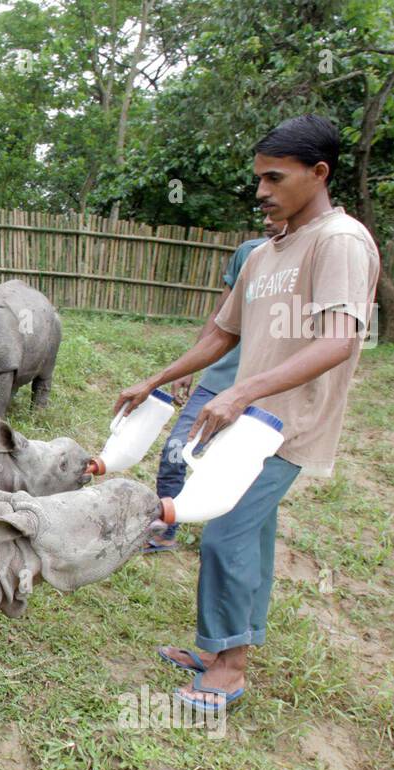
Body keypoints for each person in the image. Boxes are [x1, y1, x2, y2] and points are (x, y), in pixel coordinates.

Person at [114, 114, 379, 713]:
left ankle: (228, 670)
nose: (261, 191)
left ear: (319, 174)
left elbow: (338, 341)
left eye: (274, 177)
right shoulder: (264, 254)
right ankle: (221, 651)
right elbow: (221, 333)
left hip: (286, 422)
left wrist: (242, 392)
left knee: (226, 531)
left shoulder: (339, 242)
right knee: (250, 534)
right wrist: (157, 379)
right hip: (248, 418)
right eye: (258, 178)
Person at [145, 215, 282, 553]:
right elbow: (220, 318)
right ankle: (165, 527)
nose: (267, 219)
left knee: (244, 470)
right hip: (220, 378)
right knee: (177, 449)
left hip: (267, 390)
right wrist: (187, 368)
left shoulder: (315, 256)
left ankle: (231, 532)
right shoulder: (249, 253)